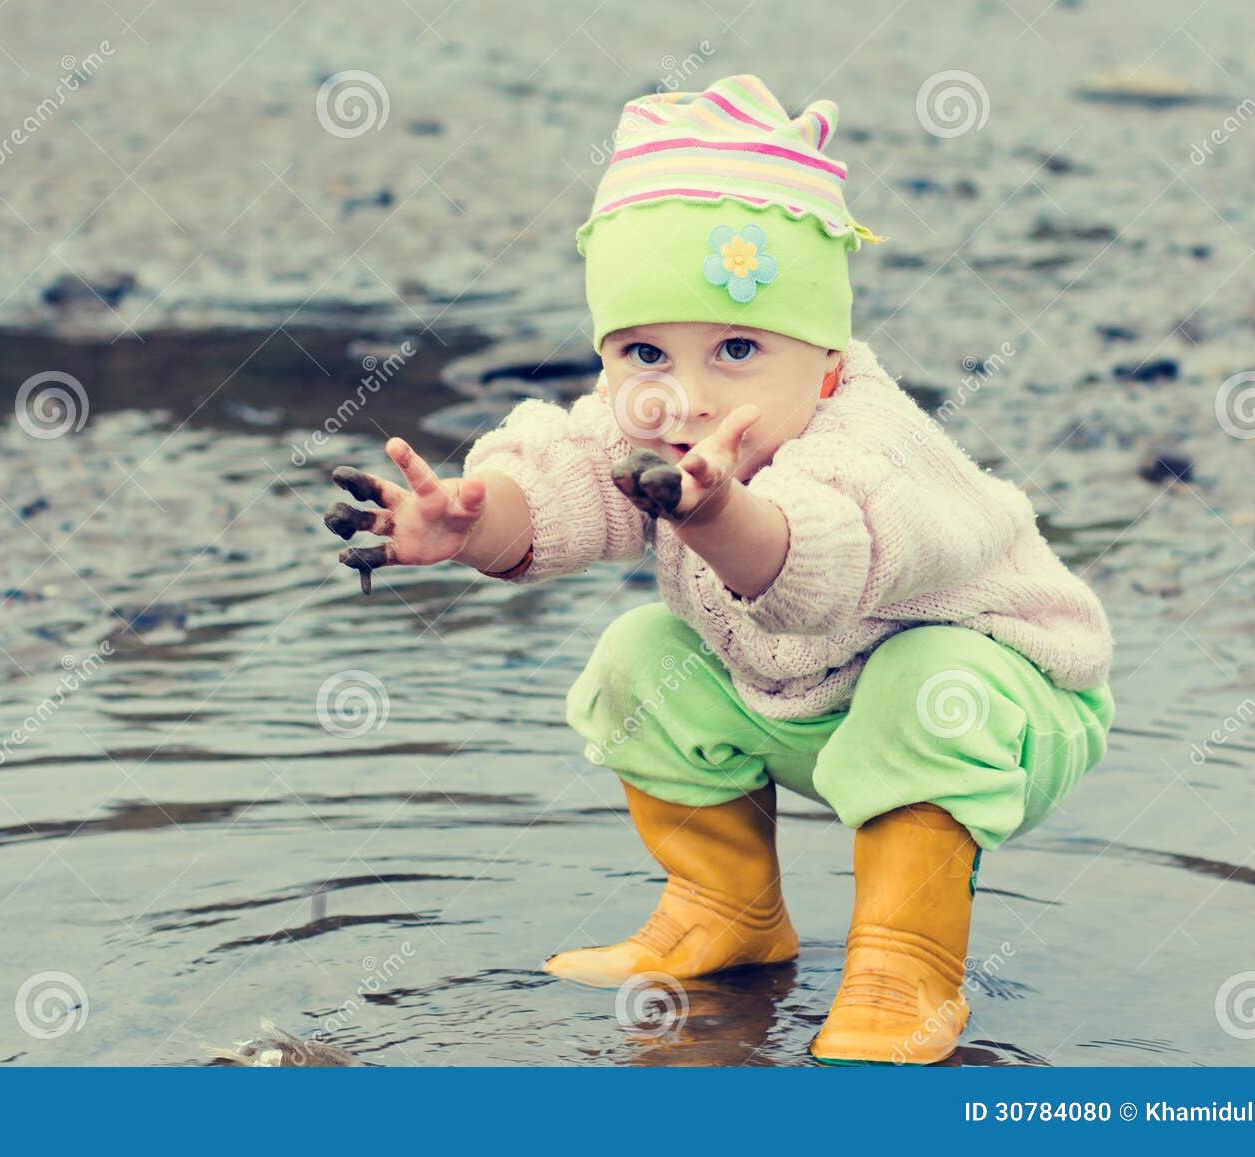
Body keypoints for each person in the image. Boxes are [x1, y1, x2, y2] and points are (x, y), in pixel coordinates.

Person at [324, 74, 1114, 1065]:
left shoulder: (871, 446)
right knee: (636, 655)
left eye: (736, 347)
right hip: (802, 704)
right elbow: (567, 480)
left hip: (998, 711)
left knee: (930, 681)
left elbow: (818, 558)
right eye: (645, 353)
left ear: (824, 363)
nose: (684, 397)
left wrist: (718, 512)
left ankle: (903, 962)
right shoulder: (646, 429)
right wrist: (468, 524)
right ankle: (724, 906)